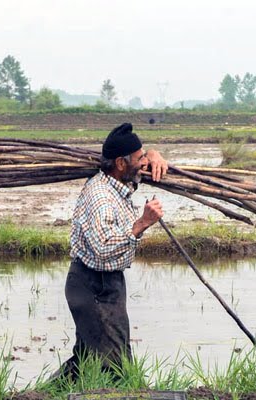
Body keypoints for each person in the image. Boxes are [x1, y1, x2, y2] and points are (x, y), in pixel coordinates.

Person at [53, 123, 170, 381]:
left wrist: (153, 153)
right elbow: (103, 247)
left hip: (107, 282)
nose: (144, 164)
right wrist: (142, 223)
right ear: (120, 163)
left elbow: (137, 172)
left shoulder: (118, 183)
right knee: (116, 364)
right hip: (93, 286)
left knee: (86, 359)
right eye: (139, 160)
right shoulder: (101, 196)